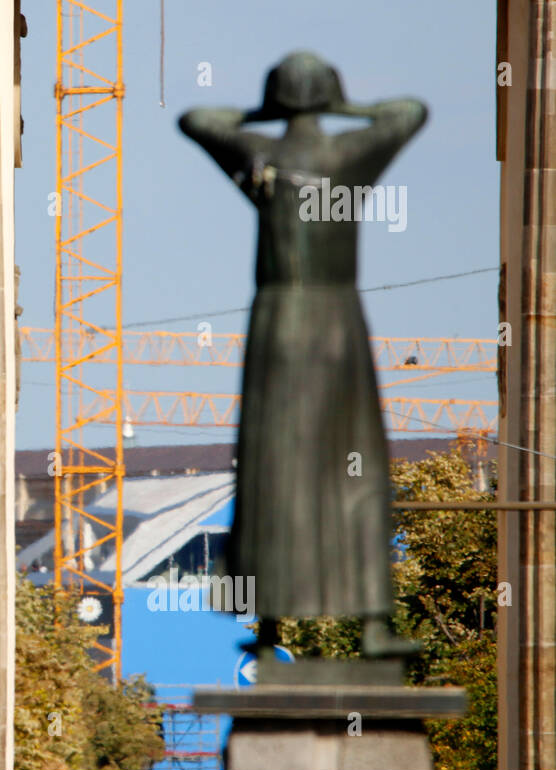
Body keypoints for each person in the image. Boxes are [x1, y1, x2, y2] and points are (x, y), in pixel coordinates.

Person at [178, 52, 426, 658]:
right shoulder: (350, 156)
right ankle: (373, 624)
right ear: (329, 98)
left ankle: (266, 629)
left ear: (276, 100)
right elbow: (410, 112)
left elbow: (197, 118)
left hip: (280, 324)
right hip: (336, 324)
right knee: (357, 470)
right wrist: (347, 108)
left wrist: (260, 118)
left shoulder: (264, 159)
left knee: (273, 472)